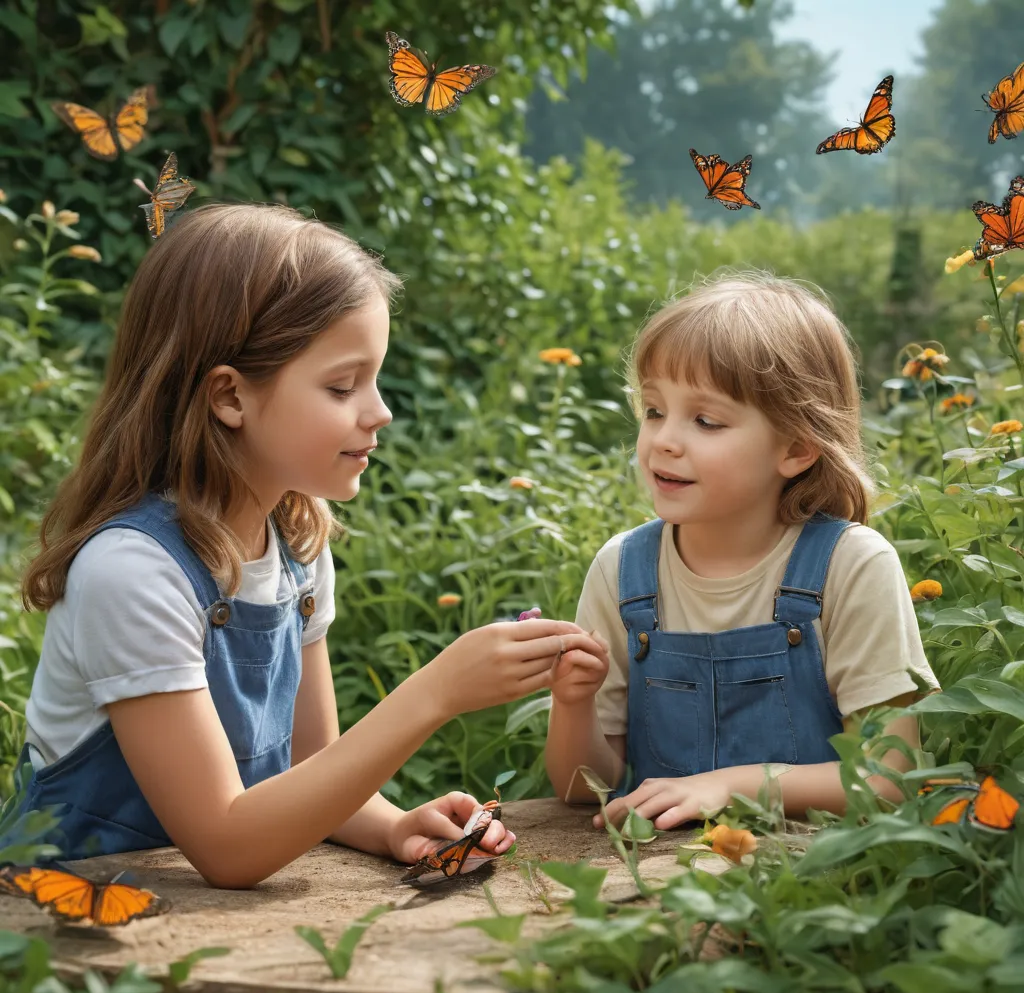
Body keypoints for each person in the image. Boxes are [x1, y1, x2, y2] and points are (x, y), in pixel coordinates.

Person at [12, 203, 608, 887]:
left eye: (374, 379)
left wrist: (388, 824)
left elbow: (310, 769)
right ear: (230, 397)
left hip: (194, 920)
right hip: (67, 921)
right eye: (341, 385)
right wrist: (436, 692)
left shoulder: (295, 543)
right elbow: (228, 847)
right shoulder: (133, 573)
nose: (379, 410)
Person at [544, 271, 939, 830]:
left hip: (809, 881)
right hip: (650, 882)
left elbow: (885, 778)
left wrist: (730, 786)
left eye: (705, 420)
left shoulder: (850, 566)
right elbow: (582, 788)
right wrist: (573, 702)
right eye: (654, 410)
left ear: (798, 447)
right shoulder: (623, 570)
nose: (664, 440)